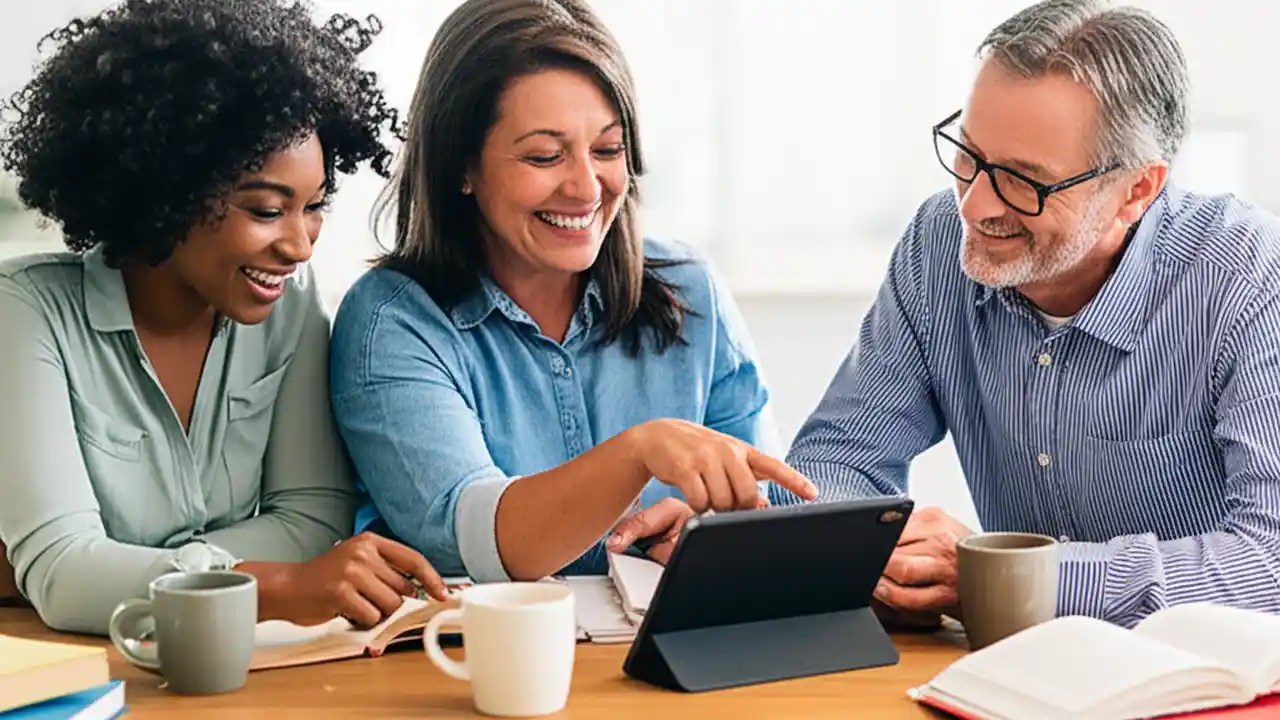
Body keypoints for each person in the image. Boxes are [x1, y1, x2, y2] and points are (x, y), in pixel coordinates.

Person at [784, 0, 1280, 629]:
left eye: (1023, 181)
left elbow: (1269, 563)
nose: (974, 205)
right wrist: (874, 551)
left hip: (1206, 678)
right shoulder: (939, 242)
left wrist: (1004, 576)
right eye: (968, 155)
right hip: (1018, 671)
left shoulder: (1248, 276)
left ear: (1135, 190)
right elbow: (839, 458)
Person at [0, 0, 447, 635]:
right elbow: (64, 573)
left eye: (314, 206)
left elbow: (314, 519)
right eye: (266, 210)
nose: (300, 244)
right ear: (164, 193)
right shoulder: (25, 312)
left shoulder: (290, 304)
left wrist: (152, 573)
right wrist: (275, 582)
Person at [329, 0, 816, 583]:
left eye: (607, 150)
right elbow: (471, 541)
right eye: (544, 155)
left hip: (675, 655)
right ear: (461, 165)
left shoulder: (690, 290)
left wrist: (706, 529)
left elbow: (768, 499)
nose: (586, 187)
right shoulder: (392, 323)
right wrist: (639, 452)